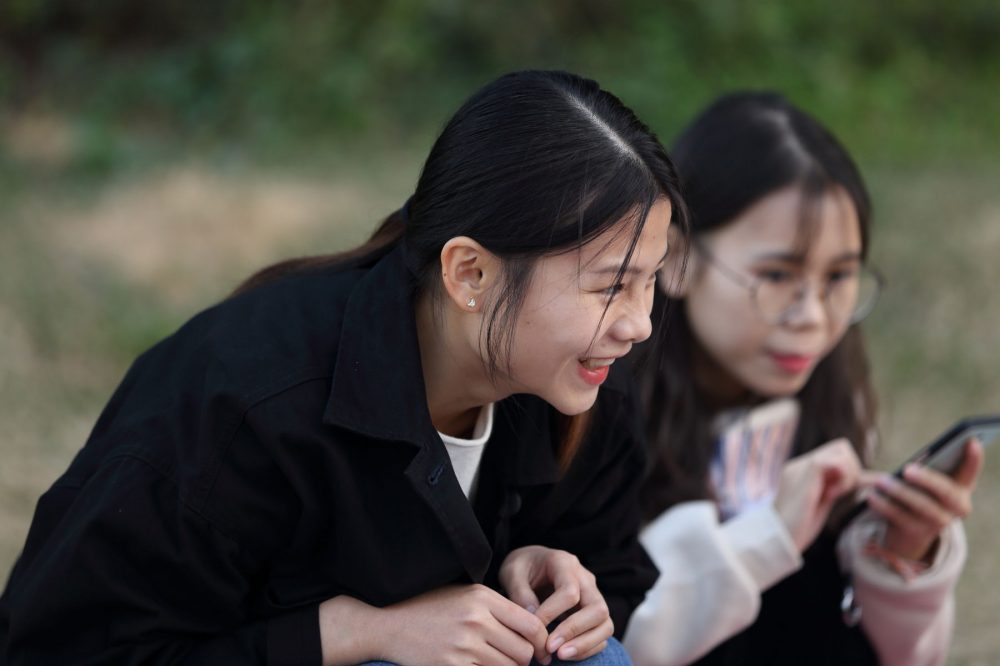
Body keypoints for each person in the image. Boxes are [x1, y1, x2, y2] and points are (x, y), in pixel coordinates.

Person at [0, 70, 688, 666]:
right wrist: (354, 632)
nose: (639, 324)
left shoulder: (580, 374)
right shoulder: (243, 406)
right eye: (609, 285)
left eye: (650, 280)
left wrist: (554, 579)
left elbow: (616, 572)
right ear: (468, 272)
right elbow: (64, 648)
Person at [623, 92, 981, 666]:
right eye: (777, 275)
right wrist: (766, 534)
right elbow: (609, 640)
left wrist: (901, 559)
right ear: (677, 259)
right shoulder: (600, 401)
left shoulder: (833, 391)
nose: (813, 316)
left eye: (840, 277)